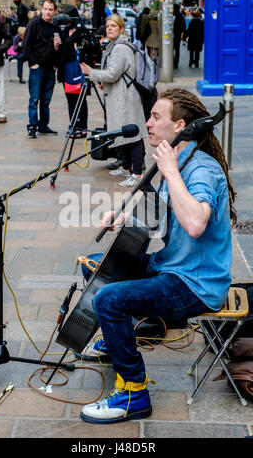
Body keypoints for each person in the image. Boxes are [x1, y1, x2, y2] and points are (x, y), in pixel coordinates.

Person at [76, 88, 236, 424]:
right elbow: (155, 216)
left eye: (155, 117)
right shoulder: (175, 162)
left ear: (179, 126)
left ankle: (134, 394)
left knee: (108, 300)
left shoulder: (199, 169)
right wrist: (124, 220)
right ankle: (116, 343)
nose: (147, 123)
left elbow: (194, 223)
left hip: (196, 284)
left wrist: (171, 171)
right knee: (98, 265)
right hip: (173, 266)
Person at [80, 14, 148, 187]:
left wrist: (91, 73)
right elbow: (113, 73)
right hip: (119, 95)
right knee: (123, 132)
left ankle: (137, 173)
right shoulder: (114, 46)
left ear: (121, 29)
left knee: (133, 135)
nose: (109, 28)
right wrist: (104, 82)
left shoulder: (120, 48)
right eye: (108, 25)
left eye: (114, 26)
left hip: (125, 98)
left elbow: (112, 73)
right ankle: (126, 166)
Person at [22, 0, 61, 139]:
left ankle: (43, 126)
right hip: (37, 68)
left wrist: (56, 55)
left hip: (50, 69)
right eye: (45, 9)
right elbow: (26, 44)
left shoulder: (55, 28)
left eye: (50, 9)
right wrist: (32, 63)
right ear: (41, 9)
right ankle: (32, 127)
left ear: (55, 11)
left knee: (46, 100)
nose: (48, 12)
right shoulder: (34, 23)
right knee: (34, 100)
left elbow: (57, 50)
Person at [57, 5, 88, 139]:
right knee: (70, 98)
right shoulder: (63, 30)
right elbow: (60, 51)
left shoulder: (81, 30)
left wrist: (79, 47)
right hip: (66, 69)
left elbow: (87, 48)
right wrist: (57, 45)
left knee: (81, 98)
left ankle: (82, 126)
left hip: (78, 69)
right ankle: (73, 124)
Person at [173, 4, 186, 69]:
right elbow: (183, 27)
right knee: (177, 50)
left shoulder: (171, 15)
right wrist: (183, 35)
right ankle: (176, 63)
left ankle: (172, 62)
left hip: (172, 35)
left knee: (172, 50)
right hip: (177, 35)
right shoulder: (180, 16)